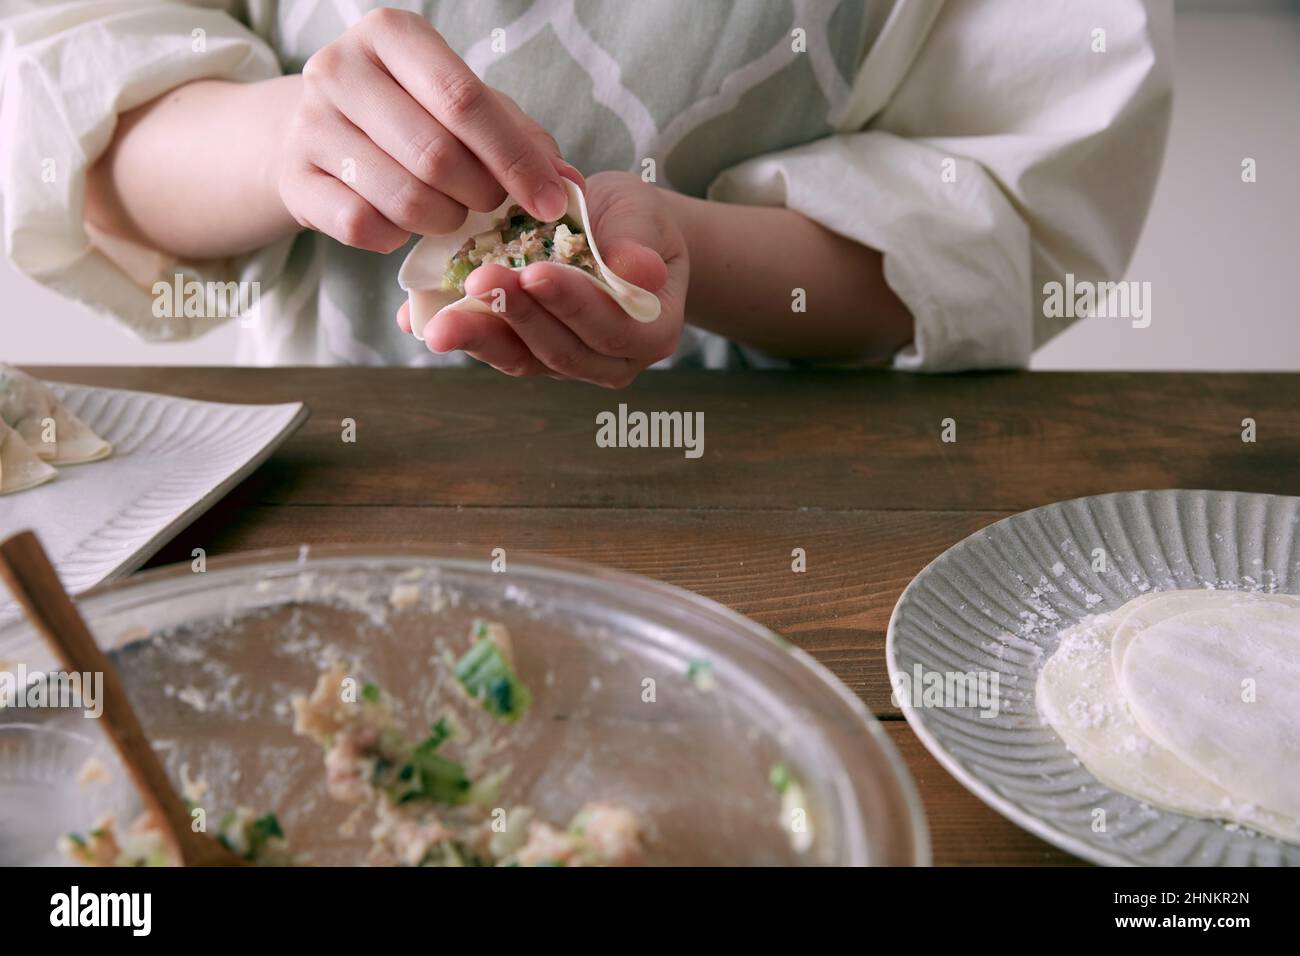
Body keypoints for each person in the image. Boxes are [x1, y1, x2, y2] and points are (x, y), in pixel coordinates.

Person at [0, 1, 1172, 387]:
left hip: (780, 489)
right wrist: (282, 141)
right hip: (340, 477)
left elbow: (996, 223)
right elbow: (75, 114)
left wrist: (681, 250)